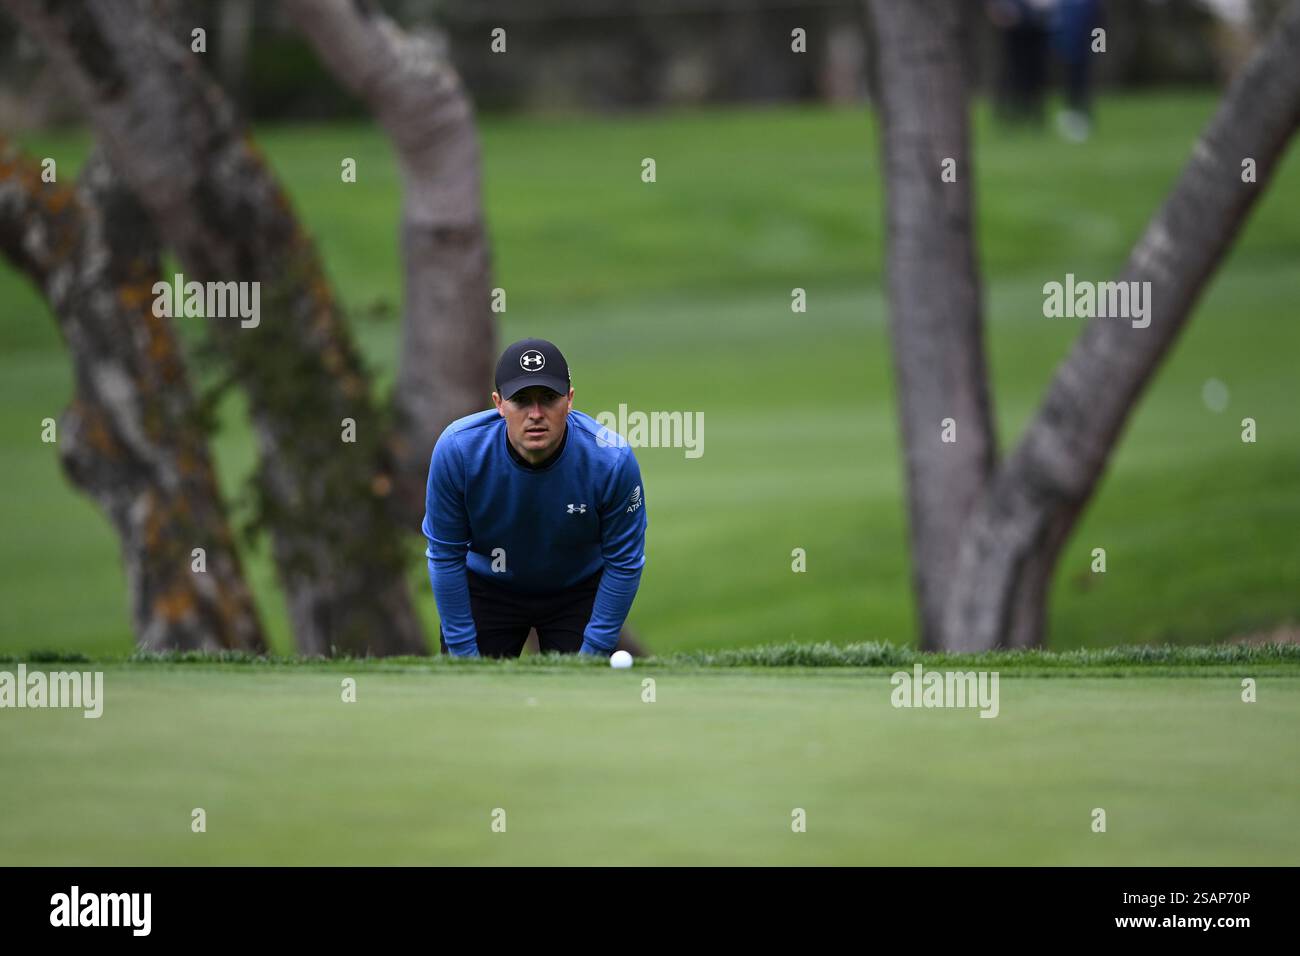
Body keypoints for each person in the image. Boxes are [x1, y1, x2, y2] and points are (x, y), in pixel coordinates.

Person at [422, 338, 648, 658]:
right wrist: (462, 656)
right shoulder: (458, 450)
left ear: (569, 400)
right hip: (488, 587)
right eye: (522, 400)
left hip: (576, 589)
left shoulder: (611, 461)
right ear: (499, 404)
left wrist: (594, 650)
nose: (536, 413)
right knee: (474, 700)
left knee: (578, 702)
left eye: (548, 398)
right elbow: (445, 554)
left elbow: (624, 562)